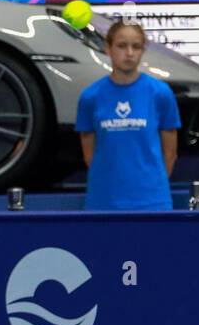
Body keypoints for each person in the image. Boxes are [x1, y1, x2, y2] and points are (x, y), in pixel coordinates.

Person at [76, 21, 182, 211]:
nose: (130, 53)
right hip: (103, 202)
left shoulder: (160, 93)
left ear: (143, 51)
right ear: (108, 48)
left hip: (152, 203)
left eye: (136, 46)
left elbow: (170, 153)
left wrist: (150, 189)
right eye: (122, 45)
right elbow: (89, 155)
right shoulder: (90, 96)